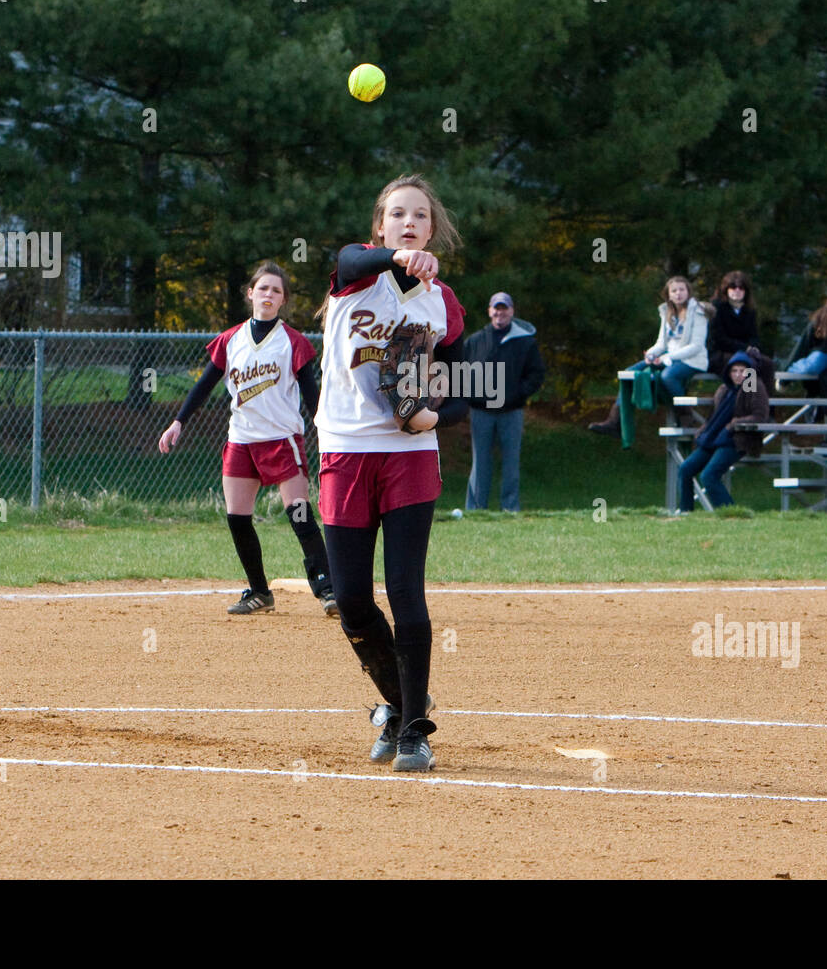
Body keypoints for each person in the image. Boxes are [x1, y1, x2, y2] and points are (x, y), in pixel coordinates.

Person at [314, 172, 469, 772]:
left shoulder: (442, 302)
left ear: (434, 229)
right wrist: (396, 257)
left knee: (405, 590)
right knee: (351, 599)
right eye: (398, 214)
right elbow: (349, 255)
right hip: (346, 450)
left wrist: (435, 414)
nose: (411, 222)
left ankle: (413, 732)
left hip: (408, 459)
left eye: (421, 216)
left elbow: (463, 381)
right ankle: (404, 703)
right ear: (381, 227)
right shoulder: (355, 280)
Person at [158, 263, 336, 617]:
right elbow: (204, 385)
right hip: (241, 440)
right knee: (238, 518)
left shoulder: (292, 341)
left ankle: (329, 590)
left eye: (276, 291)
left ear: (283, 300)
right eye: (263, 288)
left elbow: (312, 396)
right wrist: (178, 421)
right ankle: (259, 591)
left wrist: (326, 431)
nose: (269, 295)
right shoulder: (230, 340)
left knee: (299, 514)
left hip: (281, 439)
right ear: (250, 293)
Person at [588, 275, 710, 436]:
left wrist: (668, 358)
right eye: (674, 290)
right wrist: (651, 354)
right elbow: (661, 343)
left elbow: (696, 346)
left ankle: (685, 414)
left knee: (668, 376)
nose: (678, 293)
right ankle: (615, 421)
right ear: (668, 294)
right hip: (669, 357)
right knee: (629, 373)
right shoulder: (666, 312)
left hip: (692, 359)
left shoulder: (699, 313)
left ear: (688, 292)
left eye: (682, 289)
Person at [464, 291, 546, 511]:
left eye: (504, 308)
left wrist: (518, 394)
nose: (500, 312)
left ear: (512, 311)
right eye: (496, 308)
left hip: (512, 412)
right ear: (490, 311)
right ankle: (476, 509)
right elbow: (461, 372)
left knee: (511, 463)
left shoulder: (525, 342)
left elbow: (536, 374)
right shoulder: (476, 340)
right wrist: (471, 396)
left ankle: (510, 508)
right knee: (480, 463)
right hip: (481, 411)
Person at [677, 351, 770, 512]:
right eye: (734, 371)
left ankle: (731, 512)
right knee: (686, 469)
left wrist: (735, 423)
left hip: (737, 440)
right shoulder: (725, 389)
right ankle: (686, 512)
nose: (738, 375)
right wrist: (703, 429)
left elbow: (760, 416)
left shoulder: (753, 385)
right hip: (715, 437)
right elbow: (714, 417)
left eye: (742, 371)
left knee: (709, 476)